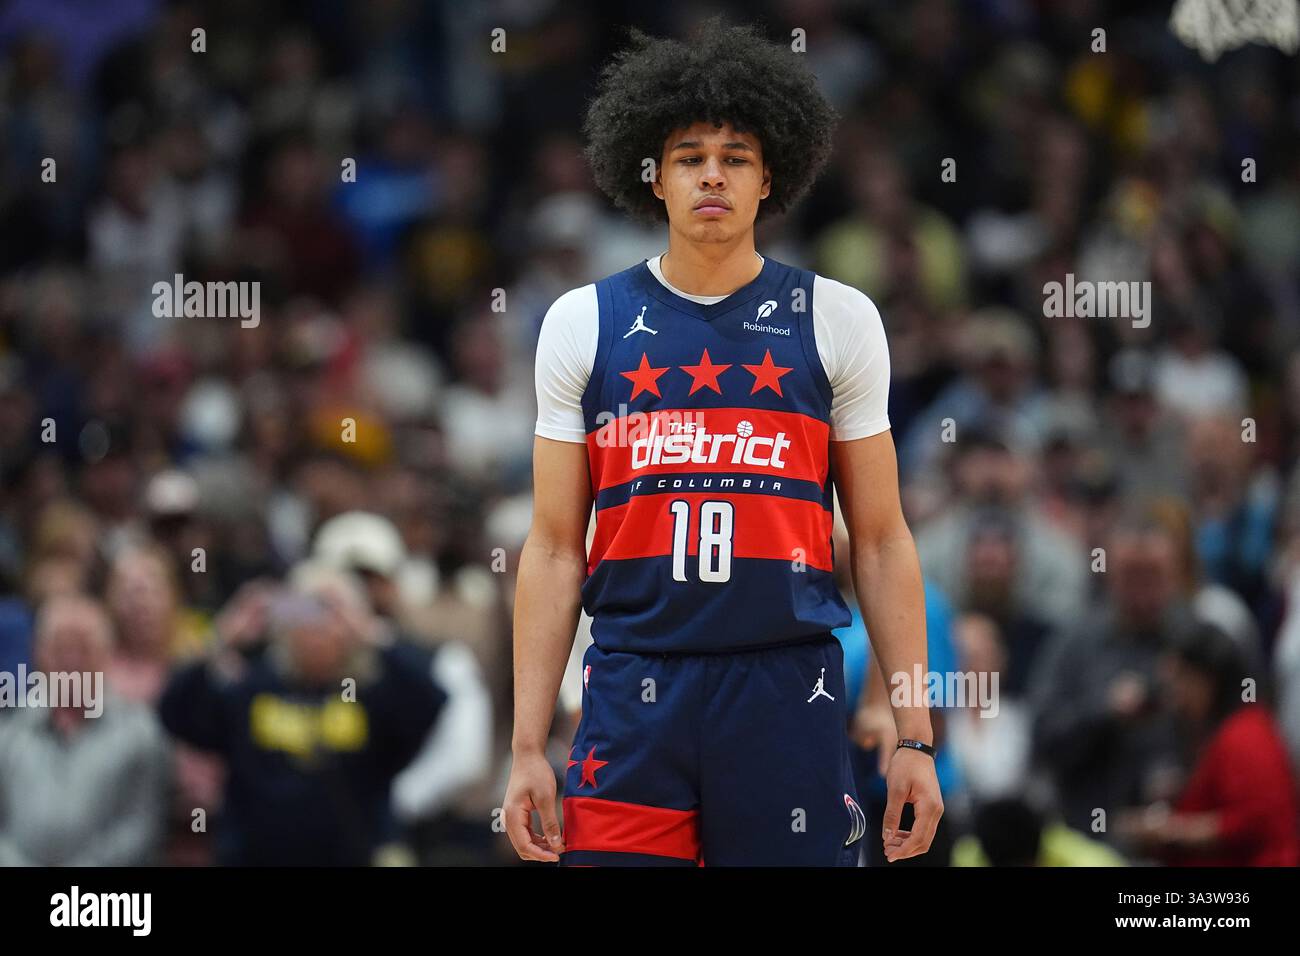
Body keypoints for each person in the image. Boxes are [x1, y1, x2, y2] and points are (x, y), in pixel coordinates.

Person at [504, 18, 940, 867]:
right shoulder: (581, 323)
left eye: (736, 156)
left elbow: (883, 538)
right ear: (654, 177)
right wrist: (526, 745)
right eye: (689, 156)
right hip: (633, 688)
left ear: (769, 174)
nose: (713, 175)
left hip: (786, 690)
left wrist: (914, 735)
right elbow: (556, 546)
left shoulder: (839, 318)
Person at [157, 564, 446, 866]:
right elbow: (174, 711)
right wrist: (223, 635)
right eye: (308, 610)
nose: (319, 626)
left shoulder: (374, 694)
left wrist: (369, 632)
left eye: (332, 612)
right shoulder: (253, 687)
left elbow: (431, 698)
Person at [0, 593, 170, 865]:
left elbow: (142, 825)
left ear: (106, 655)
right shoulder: (9, 732)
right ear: (38, 653)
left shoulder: (140, 732)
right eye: (60, 648)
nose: (71, 660)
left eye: (83, 648)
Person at [1118, 623, 1300, 866]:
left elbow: (1255, 821)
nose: (1175, 698)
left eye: (1178, 681)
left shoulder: (1245, 735)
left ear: (1206, 679)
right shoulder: (1228, 731)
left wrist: (1170, 831)